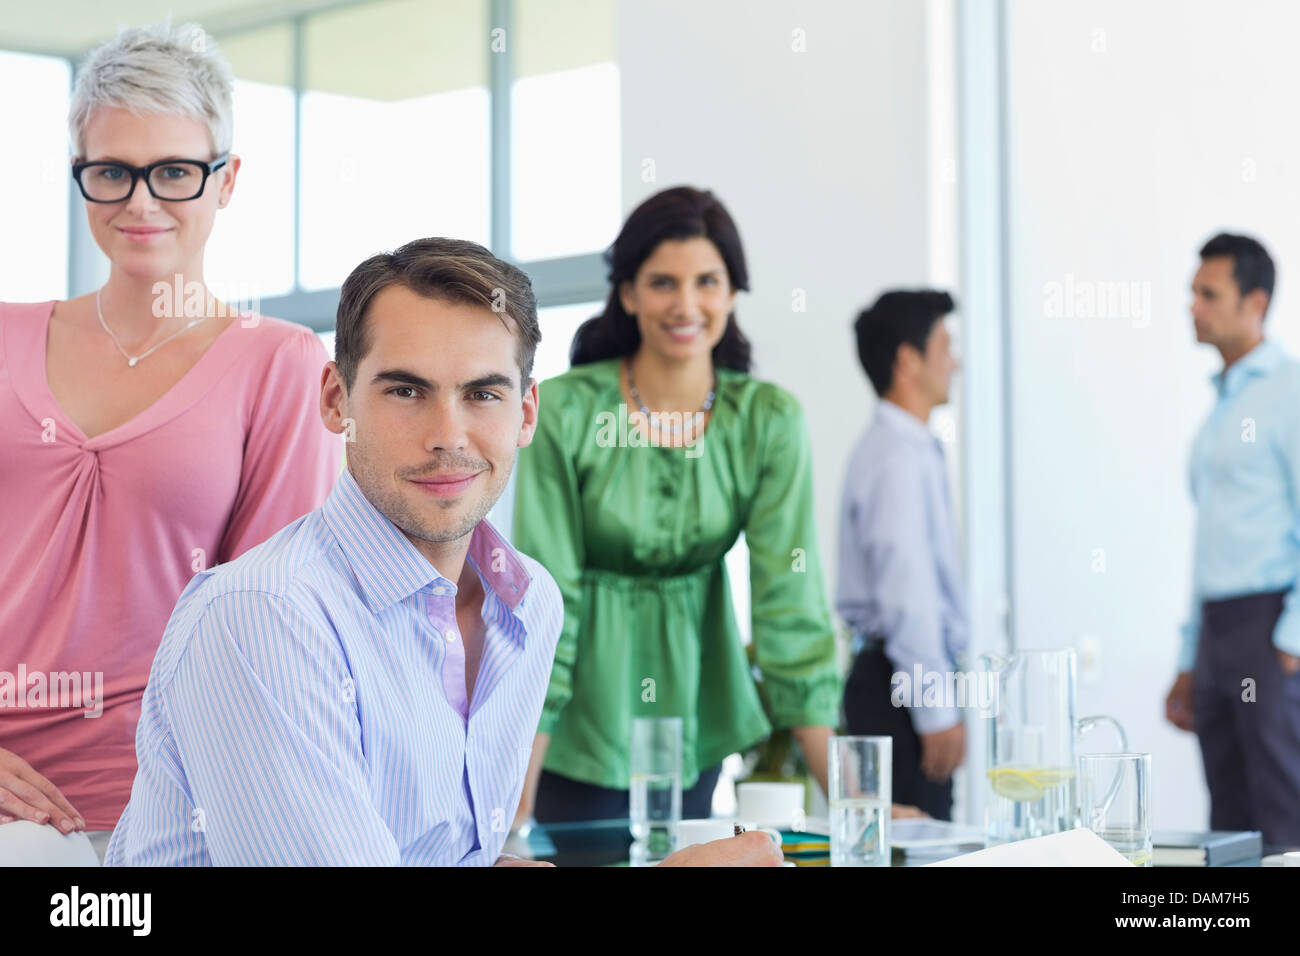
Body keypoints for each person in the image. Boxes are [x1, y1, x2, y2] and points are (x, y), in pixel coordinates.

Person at [105, 237, 781, 867]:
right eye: (406, 390)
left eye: (483, 393)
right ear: (338, 400)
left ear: (525, 415)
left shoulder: (528, 605)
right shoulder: (263, 617)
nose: (447, 435)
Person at [0, 22, 340, 864]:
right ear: (80, 175)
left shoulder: (280, 365)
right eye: (111, 172)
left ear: (226, 182)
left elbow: (269, 628)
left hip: (167, 810)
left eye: (175, 173)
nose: (140, 204)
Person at [510, 186, 843, 828]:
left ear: (732, 294)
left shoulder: (769, 421)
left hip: (699, 713)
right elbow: (548, 602)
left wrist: (850, 797)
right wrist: (517, 791)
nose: (686, 305)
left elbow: (790, 602)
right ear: (629, 293)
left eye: (707, 282)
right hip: (574, 730)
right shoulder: (563, 412)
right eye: (662, 282)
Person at [1164, 233, 1300, 846]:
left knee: (1283, 811)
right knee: (1228, 818)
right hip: (1219, 632)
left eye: (1208, 293)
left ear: (1255, 303)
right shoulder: (1220, 406)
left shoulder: (1288, 395)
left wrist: (1293, 641)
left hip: (1268, 628)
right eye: (1193, 292)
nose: (1193, 305)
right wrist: (1190, 658)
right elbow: (1210, 541)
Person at [837, 290, 966, 821]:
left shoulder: (907, 448)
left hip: (895, 678)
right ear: (908, 360)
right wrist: (936, 711)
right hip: (897, 686)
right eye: (944, 346)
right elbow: (907, 593)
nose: (954, 361)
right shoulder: (896, 458)